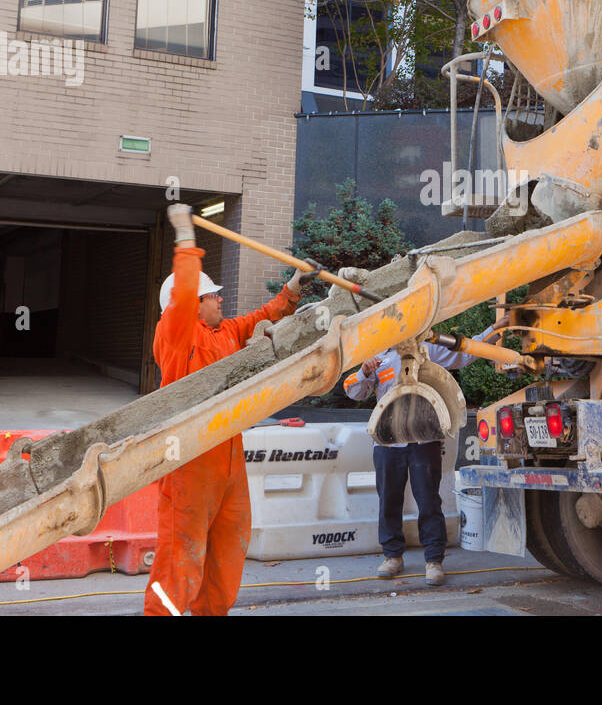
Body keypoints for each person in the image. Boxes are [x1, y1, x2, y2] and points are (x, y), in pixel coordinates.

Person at [144, 204, 315, 616]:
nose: (221, 298)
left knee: (227, 550)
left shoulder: (223, 332)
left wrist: (293, 287)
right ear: (191, 304)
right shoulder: (177, 336)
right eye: (212, 295)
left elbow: (262, 317)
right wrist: (187, 238)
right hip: (190, 462)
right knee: (180, 557)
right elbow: (183, 295)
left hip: (227, 458)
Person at [344, 318, 506, 586]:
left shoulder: (429, 350)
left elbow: (466, 353)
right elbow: (353, 390)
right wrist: (364, 372)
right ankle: (392, 556)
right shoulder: (376, 357)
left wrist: (496, 328)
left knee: (429, 502)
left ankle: (434, 559)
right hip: (387, 443)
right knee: (389, 503)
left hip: (425, 440)